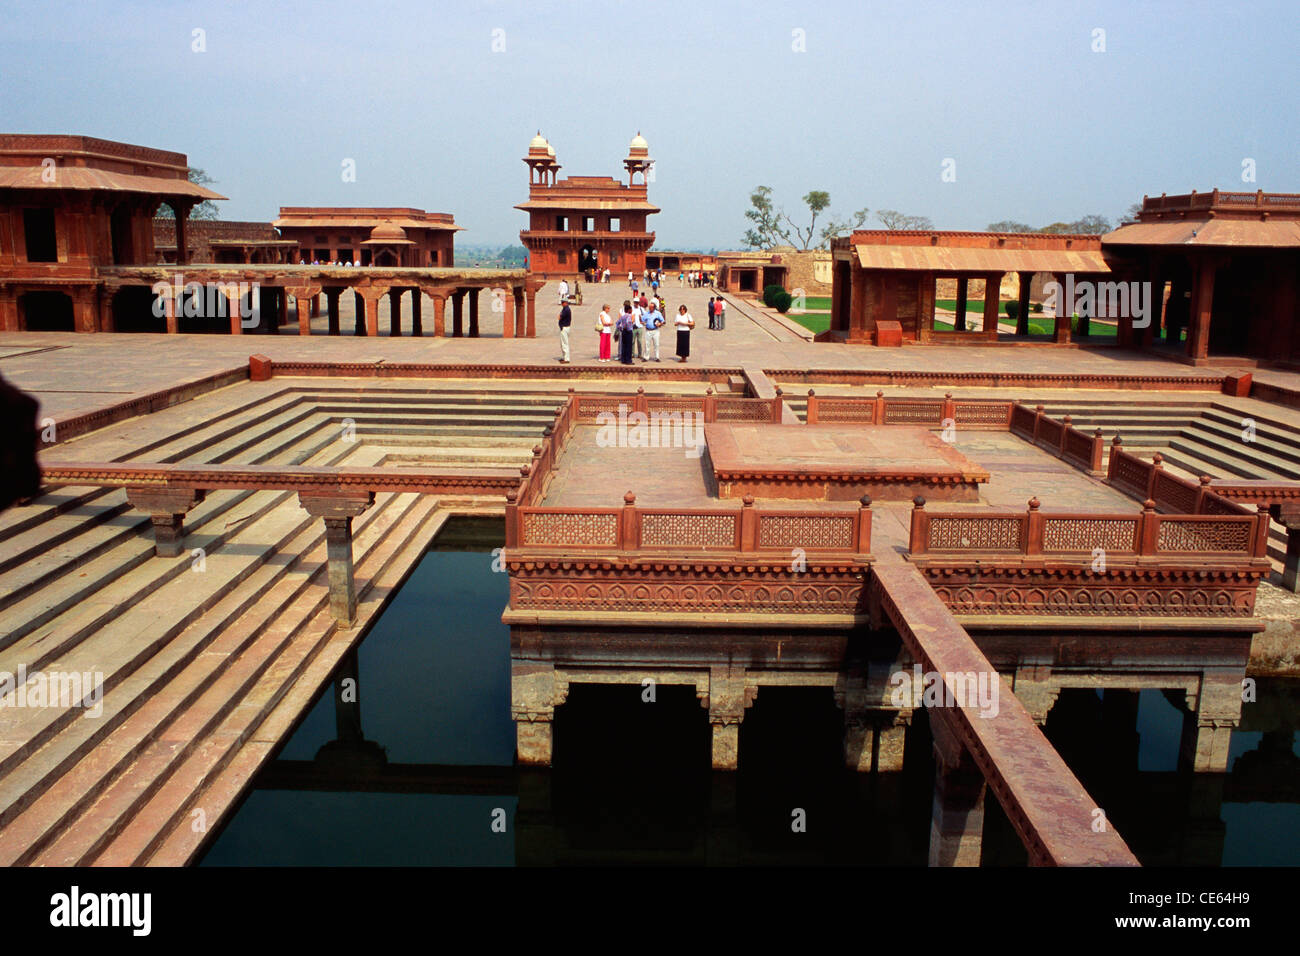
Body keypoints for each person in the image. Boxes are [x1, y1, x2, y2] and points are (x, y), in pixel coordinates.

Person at [557, 297, 572, 364]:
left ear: (566, 303)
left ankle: (567, 358)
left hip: (565, 328)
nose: (562, 304)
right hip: (564, 328)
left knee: (565, 343)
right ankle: (564, 357)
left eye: (563, 302)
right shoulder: (565, 309)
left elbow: (559, 317)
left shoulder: (566, 310)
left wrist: (560, 316)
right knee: (562, 343)